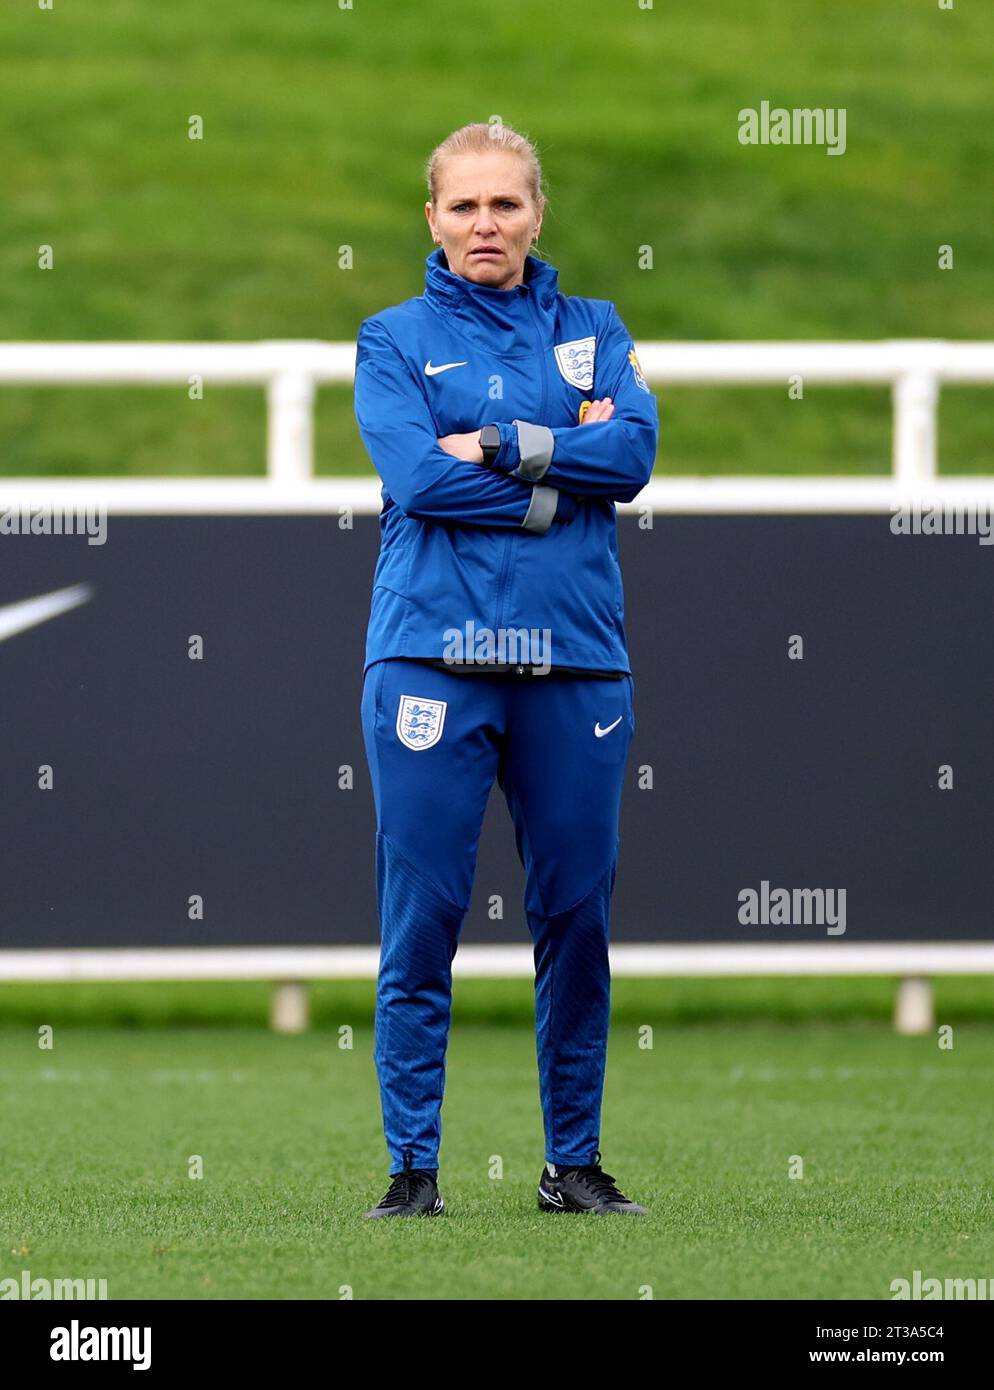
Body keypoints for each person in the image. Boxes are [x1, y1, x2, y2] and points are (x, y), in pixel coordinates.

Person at [353, 121, 658, 1218]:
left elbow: (630, 456)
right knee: (424, 913)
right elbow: (413, 482)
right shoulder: (390, 339)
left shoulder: (595, 329)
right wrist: (555, 470)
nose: (486, 224)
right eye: (464, 206)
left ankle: (569, 1163)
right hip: (433, 654)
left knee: (574, 913)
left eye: (506, 205)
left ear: (537, 215)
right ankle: (412, 1171)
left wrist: (492, 444)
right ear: (430, 217)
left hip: (574, 658)